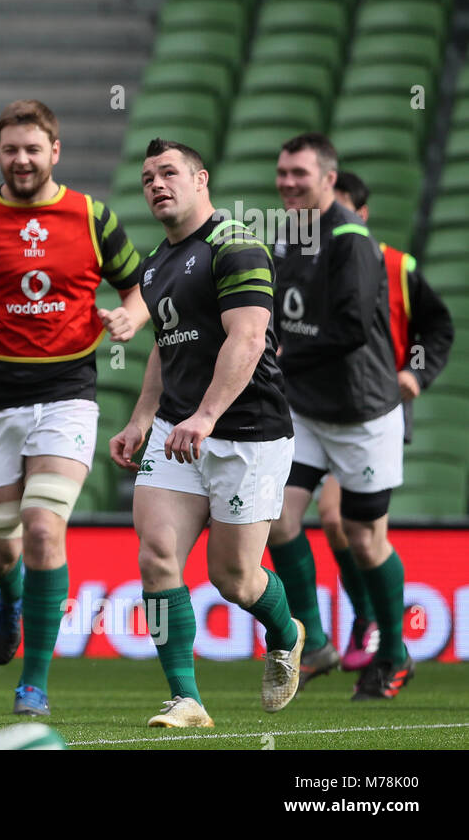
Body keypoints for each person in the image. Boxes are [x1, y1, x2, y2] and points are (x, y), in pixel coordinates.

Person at [0, 100, 149, 716]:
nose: (21, 160)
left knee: (44, 529)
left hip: (68, 394)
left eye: (32, 148)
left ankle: (34, 684)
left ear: (55, 151)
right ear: (0, 154)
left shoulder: (93, 216)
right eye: (10, 150)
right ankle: (11, 593)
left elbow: (138, 289)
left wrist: (130, 315)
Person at [110, 138, 304, 727]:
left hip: (247, 432)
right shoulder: (154, 265)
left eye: (169, 172)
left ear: (201, 179)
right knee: (157, 555)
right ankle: (186, 697)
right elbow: (164, 348)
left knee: (235, 580)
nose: (156, 184)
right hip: (177, 431)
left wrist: (207, 415)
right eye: (147, 178)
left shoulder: (236, 244)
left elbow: (246, 339)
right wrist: (145, 416)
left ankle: (286, 632)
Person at [266, 134, 414, 701]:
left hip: (362, 413)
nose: (287, 183)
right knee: (278, 518)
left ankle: (395, 654)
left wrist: (282, 356)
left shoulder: (351, 239)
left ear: (329, 179)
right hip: (306, 410)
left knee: (364, 537)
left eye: (299, 173)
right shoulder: (289, 237)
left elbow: (352, 329)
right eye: (282, 173)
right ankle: (316, 640)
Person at [291, 171, 453, 678]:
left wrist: (417, 370)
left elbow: (437, 326)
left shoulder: (397, 267)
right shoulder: (301, 262)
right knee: (294, 520)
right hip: (314, 406)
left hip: (372, 408)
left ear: (359, 216)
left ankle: (377, 631)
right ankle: (354, 624)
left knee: (342, 522)